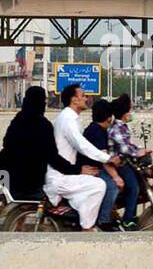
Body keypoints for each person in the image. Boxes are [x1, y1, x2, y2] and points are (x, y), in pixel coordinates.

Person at [46, 83, 119, 231]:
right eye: (83, 96)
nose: (86, 99)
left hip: (65, 173)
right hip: (60, 177)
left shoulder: (71, 118)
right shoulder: (68, 120)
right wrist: (107, 158)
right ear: (74, 100)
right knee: (100, 185)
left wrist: (80, 169)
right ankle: (87, 227)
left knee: (93, 183)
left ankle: (80, 221)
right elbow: (82, 145)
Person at [0, 86, 74, 200]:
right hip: (27, 183)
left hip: (2, 172)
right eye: (44, 101)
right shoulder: (43, 125)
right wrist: (74, 170)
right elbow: (52, 157)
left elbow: (6, 143)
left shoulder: (18, 120)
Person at [107, 94, 148, 229]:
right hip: (120, 164)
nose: (132, 113)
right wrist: (138, 152)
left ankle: (131, 216)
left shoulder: (123, 126)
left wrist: (142, 150)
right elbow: (124, 148)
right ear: (125, 113)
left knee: (138, 187)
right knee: (134, 188)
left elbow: (128, 144)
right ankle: (127, 220)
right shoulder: (117, 127)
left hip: (126, 163)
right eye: (130, 110)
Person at [82, 98, 124, 230]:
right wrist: (116, 177)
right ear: (109, 117)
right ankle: (103, 220)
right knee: (112, 186)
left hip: (96, 168)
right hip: (93, 170)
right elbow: (104, 159)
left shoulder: (96, 129)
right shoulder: (97, 131)